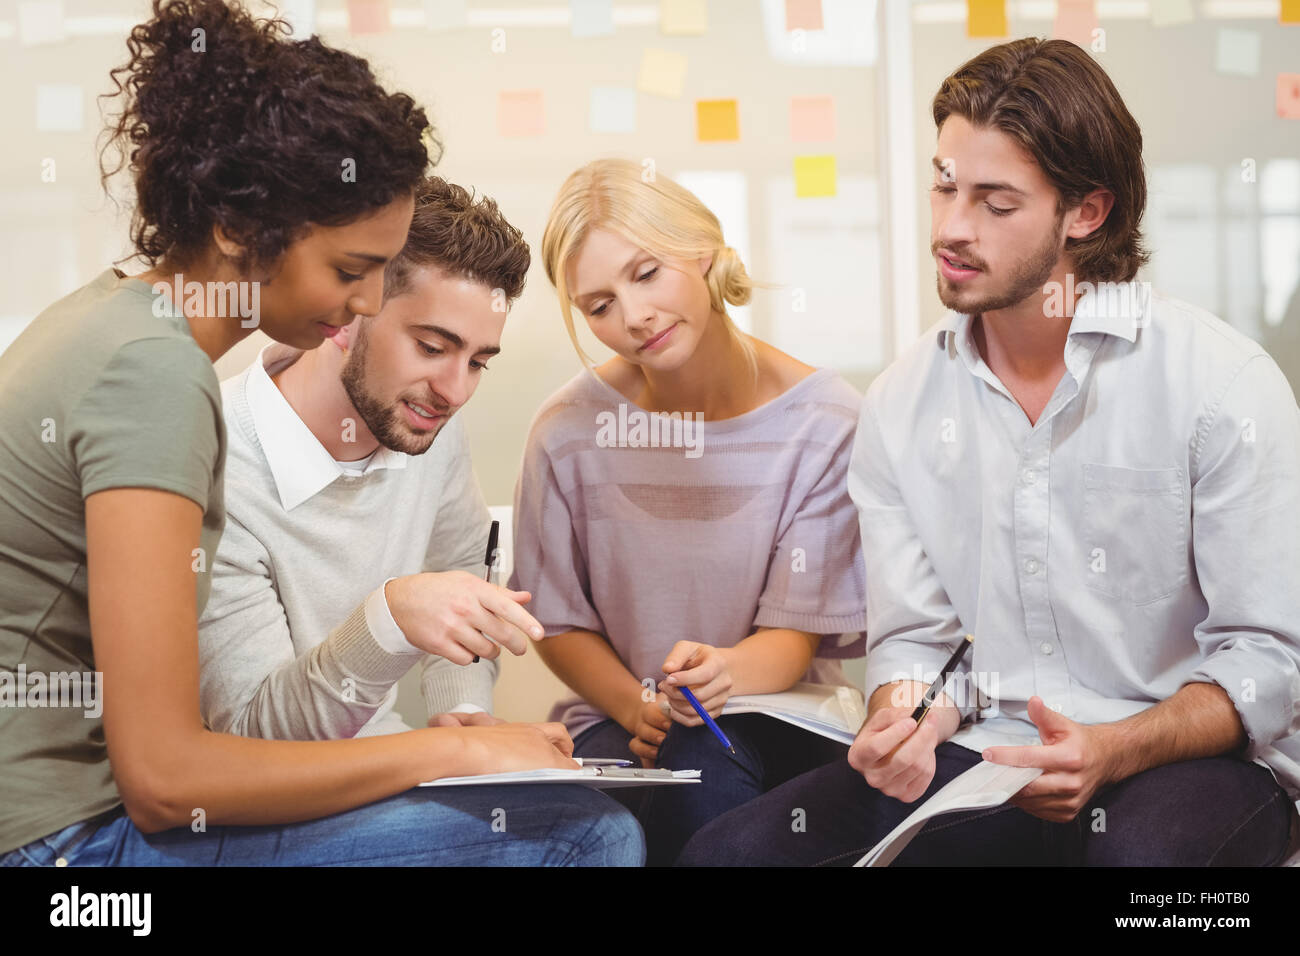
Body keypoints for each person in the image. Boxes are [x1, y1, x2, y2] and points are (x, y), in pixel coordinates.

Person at [0, 0, 641, 868]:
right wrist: (456, 749)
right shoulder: (154, 376)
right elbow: (166, 778)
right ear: (236, 227)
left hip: (85, 821)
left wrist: (468, 730)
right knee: (584, 838)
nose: (368, 304)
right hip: (64, 846)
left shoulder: (119, 322)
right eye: (351, 270)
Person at [677, 37, 1300, 867]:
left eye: (995, 204)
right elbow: (914, 640)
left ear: (1087, 212)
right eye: (944, 185)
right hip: (994, 752)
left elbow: (1269, 662)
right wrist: (904, 718)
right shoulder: (902, 403)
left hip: (1193, 760)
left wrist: (1113, 747)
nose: (951, 228)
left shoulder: (1220, 386)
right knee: (730, 857)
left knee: (1141, 871)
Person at [509, 158, 868, 866]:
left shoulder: (826, 421)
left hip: (785, 715)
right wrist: (634, 703)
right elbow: (557, 620)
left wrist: (722, 672)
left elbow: (793, 639)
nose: (633, 317)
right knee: (609, 808)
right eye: (599, 305)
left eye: (646, 274)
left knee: (705, 765)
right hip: (624, 719)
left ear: (703, 250)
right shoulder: (566, 431)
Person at [198, 175, 536, 741]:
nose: (455, 391)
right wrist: (390, 616)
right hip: (266, 799)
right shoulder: (218, 464)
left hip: (390, 768)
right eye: (432, 347)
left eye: (478, 362)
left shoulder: (429, 428)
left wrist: (464, 716)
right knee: (595, 834)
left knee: (587, 809)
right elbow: (254, 733)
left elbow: (465, 577)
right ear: (348, 315)